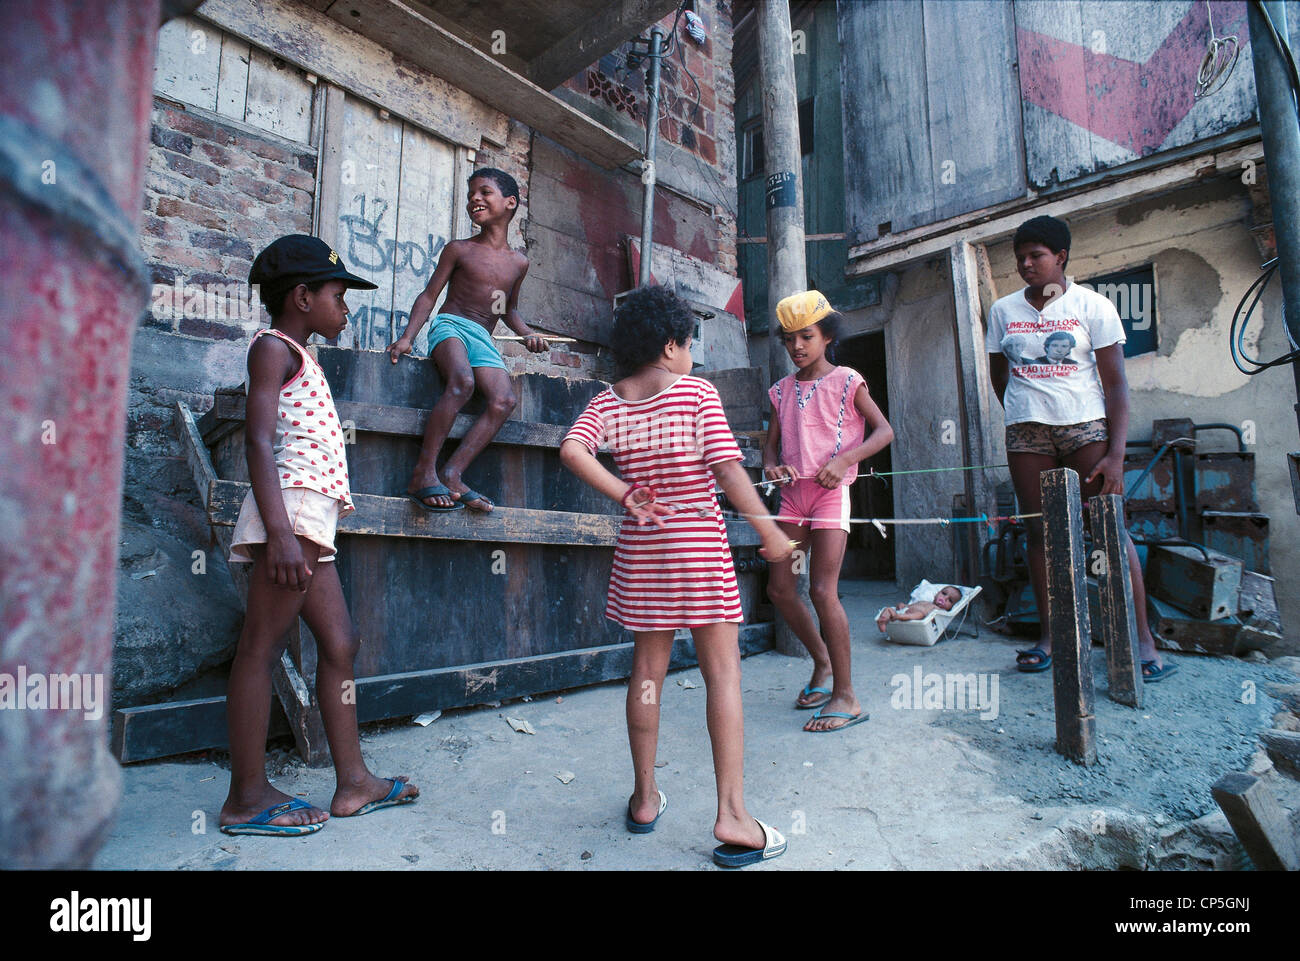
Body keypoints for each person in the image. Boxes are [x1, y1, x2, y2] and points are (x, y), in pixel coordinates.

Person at [559, 285, 793, 868]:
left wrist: (626, 494)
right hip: (698, 551)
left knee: (646, 674)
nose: (691, 356)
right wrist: (768, 531)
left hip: (643, 553)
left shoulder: (609, 401)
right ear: (669, 346)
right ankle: (733, 814)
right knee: (723, 675)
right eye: (689, 345)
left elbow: (572, 451)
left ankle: (644, 798)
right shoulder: (696, 392)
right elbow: (728, 470)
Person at [220, 235, 419, 836]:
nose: (346, 309)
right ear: (302, 297)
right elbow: (259, 442)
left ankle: (353, 781)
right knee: (260, 648)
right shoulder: (272, 349)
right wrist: (280, 535)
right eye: (339, 296)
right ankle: (245, 798)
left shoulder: (300, 355)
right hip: (293, 514)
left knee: (341, 644)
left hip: (310, 520)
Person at [987, 215, 1175, 681]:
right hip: (1027, 434)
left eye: (1036, 256)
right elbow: (999, 374)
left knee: (1109, 532)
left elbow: (1116, 385)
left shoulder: (1093, 306)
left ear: (1061, 257)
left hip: (1086, 431)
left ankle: (1141, 642)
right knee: (1039, 535)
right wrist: (1024, 409)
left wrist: (1116, 454)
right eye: (1020, 258)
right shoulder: (1003, 310)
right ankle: (1052, 637)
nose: (1026, 265)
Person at [762, 291, 894, 731]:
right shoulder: (781, 390)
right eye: (789, 339)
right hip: (793, 498)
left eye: (806, 336)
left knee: (822, 590)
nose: (797, 346)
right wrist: (771, 466)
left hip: (830, 496)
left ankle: (847, 695)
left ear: (827, 336)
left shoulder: (847, 380)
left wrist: (844, 461)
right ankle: (821, 662)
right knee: (781, 588)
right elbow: (770, 447)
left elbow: (884, 431)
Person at [387, 167, 549, 512]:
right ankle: (423, 472)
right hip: (451, 327)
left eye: (484, 192)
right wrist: (407, 337)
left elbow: (507, 309)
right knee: (462, 382)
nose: (475, 198)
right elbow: (429, 296)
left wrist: (528, 335)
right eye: (471, 194)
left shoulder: (518, 263)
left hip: (482, 338)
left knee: (504, 400)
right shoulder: (459, 250)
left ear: (510, 202)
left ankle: (452, 473)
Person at [876, 585, 962, 634]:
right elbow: (911, 605)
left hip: (917, 617)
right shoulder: (924, 601)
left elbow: (937, 620)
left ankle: (896, 616)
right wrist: (903, 605)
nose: (945, 598)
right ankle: (883, 619)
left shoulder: (941, 611)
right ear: (936, 594)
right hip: (905, 611)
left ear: (951, 607)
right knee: (889, 609)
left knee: (921, 613)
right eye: (944, 593)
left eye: (950, 600)